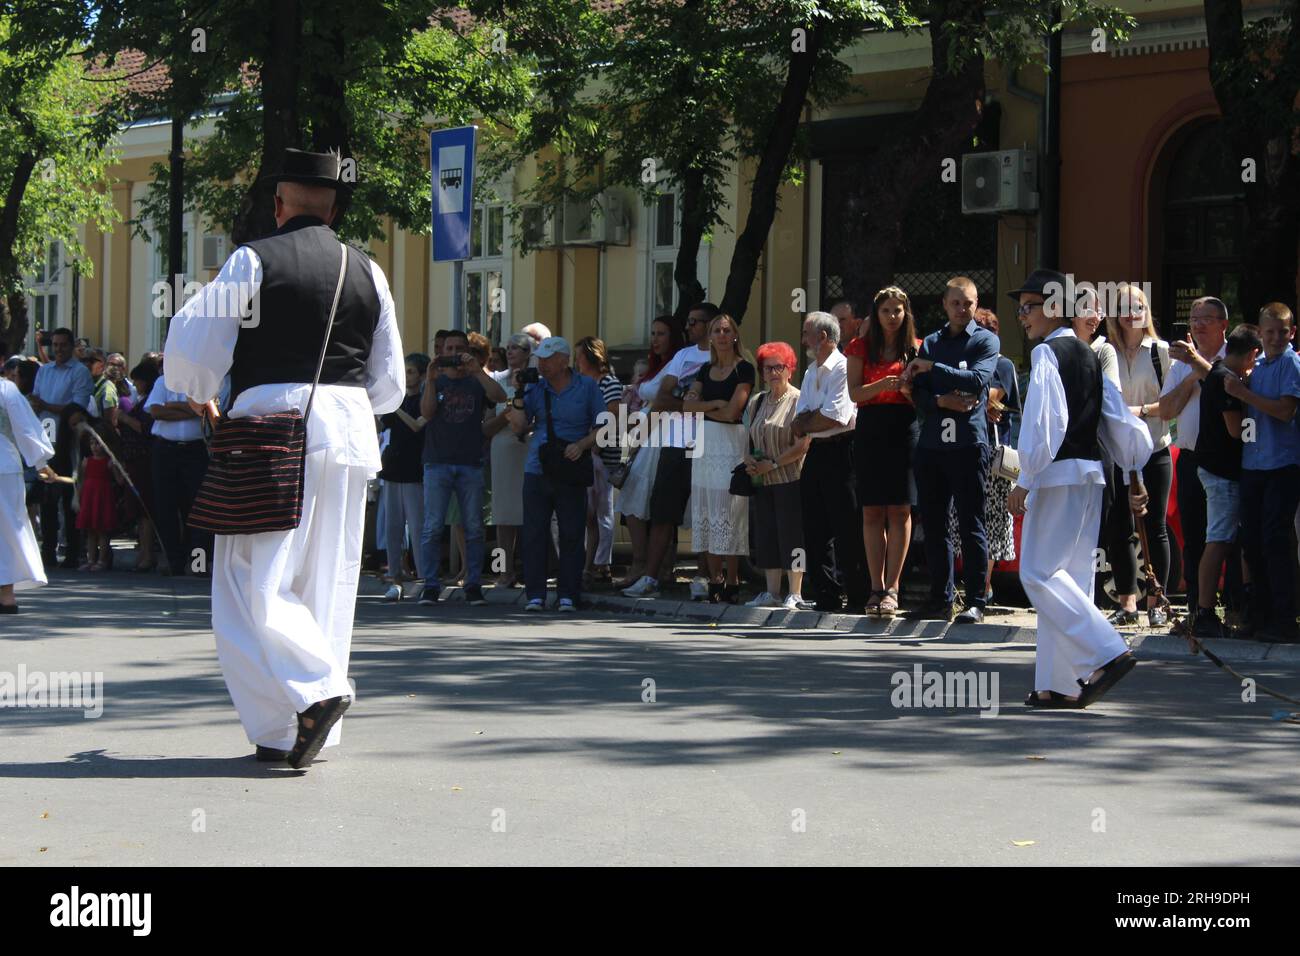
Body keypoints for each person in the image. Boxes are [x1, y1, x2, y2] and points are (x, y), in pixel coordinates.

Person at [162, 147, 405, 769]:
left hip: (270, 429)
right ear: (333, 204)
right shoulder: (369, 270)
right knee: (329, 581)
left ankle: (315, 695)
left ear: (278, 204)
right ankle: (291, 730)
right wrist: (339, 402)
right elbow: (390, 385)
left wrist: (205, 391)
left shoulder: (252, 259)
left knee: (252, 580)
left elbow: (192, 349)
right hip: (349, 431)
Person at [1006, 269, 1152, 708]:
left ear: (1053, 307)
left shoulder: (1049, 353)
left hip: (1058, 475)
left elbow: (1046, 425)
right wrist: (1132, 464)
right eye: (1020, 309)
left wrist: (1026, 477)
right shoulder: (1089, 353)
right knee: (1068, 579)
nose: (1022, 317)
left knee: (1038, 573)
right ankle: (1060, 683)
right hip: (1089, 476)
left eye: (1028, 308)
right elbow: (1116, 419)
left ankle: (1106, 651)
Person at [903, 276, 1001, 623]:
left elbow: (978, 380)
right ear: (945, 304)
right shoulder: (930, 342)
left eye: (969, 303)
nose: (962, 309)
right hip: (931, 446)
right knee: (933, 523)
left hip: (968, 445)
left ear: (976, 304)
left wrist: (934, 370)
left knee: (971, 522)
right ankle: (940, 598)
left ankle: (975, 599)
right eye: (956, 303)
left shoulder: (986, 340)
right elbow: (916, 390)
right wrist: (940, 399)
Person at [622, 304, 716, 598]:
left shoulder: (726, 358)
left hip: (709, 442)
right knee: (663, 511)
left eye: (694, 322)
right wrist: (696, 406)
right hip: (674, 441)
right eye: (687, 322)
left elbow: (727, 403)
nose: (689, 327)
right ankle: (649, 577)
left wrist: (691, 404)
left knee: (704, 512)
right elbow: (662, 396)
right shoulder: (683, 356)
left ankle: (704, 577)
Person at [507, 336, 605, 612]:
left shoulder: (586, 387)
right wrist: (517, 393)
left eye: (548, 359)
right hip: (538, 469)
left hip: (571, 468)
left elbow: (604, 425)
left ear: (564, 361)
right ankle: (535, 595)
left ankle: (568, 595)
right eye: (540, 359)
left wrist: (582, 445)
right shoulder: (536, 388)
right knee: (534, 532)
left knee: (572, 532)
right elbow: (517, 428)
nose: (542, 364)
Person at [1222, 303, 1300, 642]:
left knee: (1275, 541)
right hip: (1254, 464)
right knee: (1251, 543)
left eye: (1282, 331)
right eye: (1270, 331)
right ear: (1260, 333)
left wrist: (1244, 393)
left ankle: (1284, 619)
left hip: (1283, 465)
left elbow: (1285, 411)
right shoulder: (1259, 367)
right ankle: (1261, 614)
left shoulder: (1290, 363)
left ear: (1291, 333)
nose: (1276, 337)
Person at [418, 329, 506, 607]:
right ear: (441, 351)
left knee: (474, 527)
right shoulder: (436, 379)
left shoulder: (476, 380)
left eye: (459, 348)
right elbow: (427, 412)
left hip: (470, 463)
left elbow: (500, 396)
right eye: (449, 349)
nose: (454, 354)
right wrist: (431, 380)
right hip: (437, 462)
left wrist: (477, 370)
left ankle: (473, 585)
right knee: (432, 527)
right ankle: (431, 586)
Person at [1103, 283, 1173, 627]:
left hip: (1155, 450)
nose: (1133, 312)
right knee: (1120, 528)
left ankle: (1157, 602)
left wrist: (1139, 411)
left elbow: (1173, 404)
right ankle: (1127, 604)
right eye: (1126, 307)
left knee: (1155, 526)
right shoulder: (1106, 352)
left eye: (1140, 305)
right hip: (1118, 454)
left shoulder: (1161, 351)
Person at [847, 287, 920, 616]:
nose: (892, 316)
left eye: (898, 311)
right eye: (886, 310)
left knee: (900, 510)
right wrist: (884, 384)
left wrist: (908, 389)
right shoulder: (861, 346)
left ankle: (893, 588)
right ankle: (875, 587)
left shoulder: (915, 349)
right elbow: (855, 394)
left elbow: (925, 400)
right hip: (871, 428)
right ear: (876, 315)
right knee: (872, 510)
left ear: (906, 314)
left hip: (904, 428)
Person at [1160, 297, 1231, 629]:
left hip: (1224, 460)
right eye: (1193, 318)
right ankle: (1195, 610)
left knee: (1226, 537)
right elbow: (1166, 410)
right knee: (1193, 536)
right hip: (1188, 458)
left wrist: (1197, 364)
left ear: (1223, 325)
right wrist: (1189, 375)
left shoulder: (1234, 356)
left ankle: (1230, 608)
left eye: (1206, 319)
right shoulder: (1180, 364)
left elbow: (1225, 387)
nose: (1198, 325)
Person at [1187, 324, 1260, 639]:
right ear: (1252, 354)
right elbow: (1237, 431)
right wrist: (1259, 426)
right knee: (1218, 539)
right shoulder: (1226, 381)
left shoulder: (1217, 373)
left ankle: (1237, 604)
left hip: (1219, 470)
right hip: (1221, 472)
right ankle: (1205, 612)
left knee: (1229, 538)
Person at [945, 307, 1021, 608]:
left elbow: (985, 398)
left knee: (988, 523)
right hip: (959, 447)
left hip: (992, 455)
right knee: (956, 521)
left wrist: (961, 396)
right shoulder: (961, 362)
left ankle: (983, 587)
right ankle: (964, 587)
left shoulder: (1001, 364)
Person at [792, 311, 867, 613]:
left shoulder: (843, 367)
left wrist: (810, 421)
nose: (803, 339)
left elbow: (834, 417)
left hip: (842, 450)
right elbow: (799, 421)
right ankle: (826, 595)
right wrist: (811, 421)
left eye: (806, 333)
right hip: (817, 451)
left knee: (847, 524)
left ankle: (858, 596)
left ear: (822, 336)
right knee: (815, 526)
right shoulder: (812, 371)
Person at [682, 314, 755, 602]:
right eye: (716, 330)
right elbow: (687, 406)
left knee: (730, 511)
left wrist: (702, 407)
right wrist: (712, 403)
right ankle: (715, 578)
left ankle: (733, 580)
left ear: (735, 335)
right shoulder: (704, 370)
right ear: (710, 337)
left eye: (727, 330)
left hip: (731, 444)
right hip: (704, 445)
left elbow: (732, 413)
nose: (722, 335)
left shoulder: (744, 370)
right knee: (706, 511)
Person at [613, 316, 685, 589]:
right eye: (653, 333)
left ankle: (650, 565)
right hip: (646, 435)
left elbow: (664, 404)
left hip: (663, 435)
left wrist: (639, 431)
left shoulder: (678, 363)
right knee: (639, 500)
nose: (655, 338)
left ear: (674, 336)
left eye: (662, 333)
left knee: (653, 501)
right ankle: (646, 563)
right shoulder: (655, 366)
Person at [743, 341, 810, 608]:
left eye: (778, 367)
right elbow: (748, 438)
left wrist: (773, 463)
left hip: (791, 478)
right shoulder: (757, 402)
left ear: (790, 369)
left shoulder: (799, 400)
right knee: (766, 535)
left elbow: (802, 444)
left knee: (793, 536)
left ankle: (795, 592)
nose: (773, 372)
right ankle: (771, 592)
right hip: (763, 480)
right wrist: (748, 460)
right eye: (767, 368)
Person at [145, 376, 221, 576]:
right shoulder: (163, 381)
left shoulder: (203, 383)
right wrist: (191, 410)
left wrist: (173, 406)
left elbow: (208, 412)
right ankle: (173, 561)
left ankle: (198, 563)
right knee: (165, 507)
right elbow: (156, 411)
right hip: (165, 449)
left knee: (198, 509)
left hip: (195, 450)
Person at [0, 339, 55, 613]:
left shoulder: (7, 390)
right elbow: (25, 429)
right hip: (5, 467)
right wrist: (40, 461)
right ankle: (6, 595)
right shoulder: (7, 390)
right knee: (8, 528)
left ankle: (7, 594)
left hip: (6, 467)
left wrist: (40, 462)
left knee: (8, 527)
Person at [31, 327, 93, 569]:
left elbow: (75, 408)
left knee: (69, 497)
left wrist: (46, 405)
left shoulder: (79, 372)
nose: (57, 349)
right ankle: (47, 551)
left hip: (68, 440)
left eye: (62, 345)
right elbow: (36, 400)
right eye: (54, 345)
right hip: (45, 438)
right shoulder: (44, 371)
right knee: (46, 497)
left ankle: (73, 553)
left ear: (71, 346)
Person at [379, 353, 429, 601]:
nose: (406, 375)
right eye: (404, 371)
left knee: (418, 527)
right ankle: (395, 577)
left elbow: (417, 425)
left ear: (421, 375)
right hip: (393, 469)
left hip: (414, 471)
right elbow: (383, 427)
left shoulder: (424, 400)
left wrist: (395, 407)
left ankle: (423, 577)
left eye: (411, 372)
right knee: (393, 528)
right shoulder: (395, 403)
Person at [484, 333, 533, 589]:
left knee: (532, 510)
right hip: (503, 448)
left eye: (518, 348)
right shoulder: (497, 381)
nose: (512, 351)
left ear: (529, 353)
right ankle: (504, 570)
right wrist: (505, 416)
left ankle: (534, 569)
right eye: (509, 347)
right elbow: (486, 427)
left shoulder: (537, 380)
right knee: (503, 515)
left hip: (530, 448)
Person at [574, 336, 623, 588]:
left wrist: (595, 443)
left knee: (602, 512)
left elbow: (612, 414)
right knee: (589, 514)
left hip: (602, 454)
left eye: (580, 356)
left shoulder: (609, 383)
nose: (576, 361)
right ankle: (590, 563)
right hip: (585, 452)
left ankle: (602, 564)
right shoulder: (581, 383)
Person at [118, 362, 158, 571]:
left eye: (138, 380)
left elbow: (146, 428)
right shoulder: (141, 400)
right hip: (133, 459)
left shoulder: (150, 403)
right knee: (139, 510)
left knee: (146, 510)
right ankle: (143, 552)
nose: (135, 384)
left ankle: (147, 554)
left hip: (144, 459)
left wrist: (124, 418)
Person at [73, 419, 121, 571]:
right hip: (89, 497)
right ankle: (91, 559)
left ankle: (102, 560)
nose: (95, 447)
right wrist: (77, 499)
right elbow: (80, 481)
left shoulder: (109, 462)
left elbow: (120, 481)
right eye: (93, 443)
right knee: (90, 531)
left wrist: (120, 469)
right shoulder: (86, 462)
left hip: (103, 498)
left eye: (99, 443)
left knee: (102, 531)